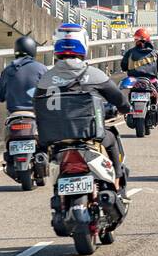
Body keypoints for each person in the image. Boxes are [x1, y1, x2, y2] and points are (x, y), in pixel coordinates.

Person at [34, 36, 129, 185]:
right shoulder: (94, 74)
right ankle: (117, 180)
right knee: (111, 138)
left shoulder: (46, 78)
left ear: (56, 54)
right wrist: (125, 109)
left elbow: (37, 105)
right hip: (89, 135)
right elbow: (119, 99)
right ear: (83, 51)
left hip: (56, 139)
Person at [0, 35, 44, 112]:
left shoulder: (7, 70)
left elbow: (0, 97)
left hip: (14, 114)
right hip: (35, 113)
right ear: (33, 50)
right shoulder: (41, 69)